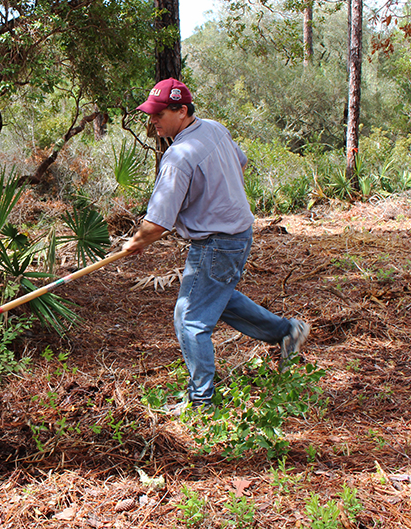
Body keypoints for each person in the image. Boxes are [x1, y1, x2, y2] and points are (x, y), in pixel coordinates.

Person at [123, 78, 309, 411]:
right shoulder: (214, 129)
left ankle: (201, 402)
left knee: (190, 318)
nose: (153, 121)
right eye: (150, 114)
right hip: (237, 235)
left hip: (217, 243)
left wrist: (135, 243)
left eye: (159, 114)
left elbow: (157, 224)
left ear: (181, 111)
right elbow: (241, 161)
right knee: (218, 299)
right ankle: (287, 332)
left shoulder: (178, 157)